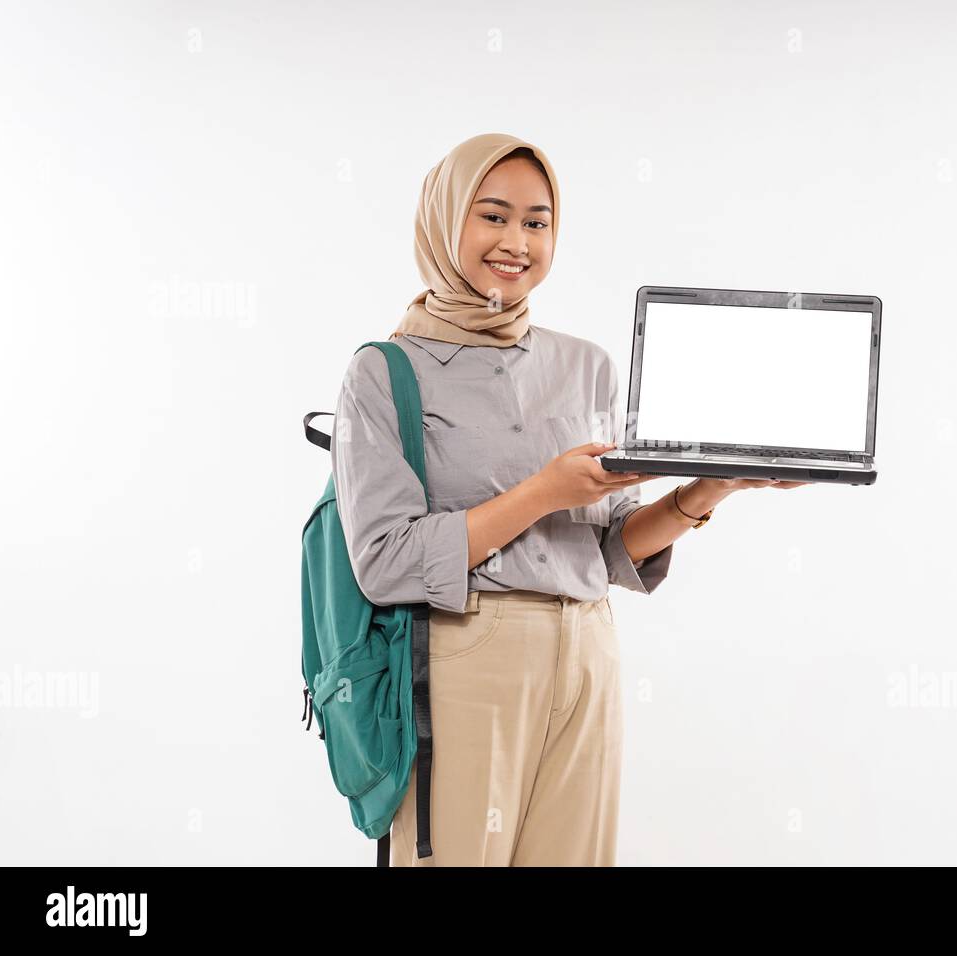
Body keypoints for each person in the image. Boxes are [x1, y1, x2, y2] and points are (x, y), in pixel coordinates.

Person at [331, 132, 805, 866]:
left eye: (537, 221)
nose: (516, 241)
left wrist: (710, 489)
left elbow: (613, 546)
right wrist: (541, 494)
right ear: (443, 219)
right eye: (492, 216)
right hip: (465, 655)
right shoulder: (386, 372)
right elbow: (384, 563)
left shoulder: (586, 365)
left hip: (587, 650)